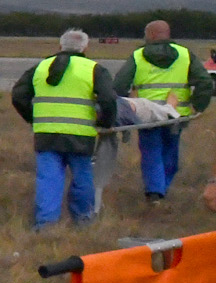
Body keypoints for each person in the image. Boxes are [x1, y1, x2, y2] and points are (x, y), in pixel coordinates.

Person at [12, 29, 116, 228]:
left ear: (60, 46)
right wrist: (105, 122)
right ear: (85, 48)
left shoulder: (40, 67)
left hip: (46, 134)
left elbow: (18, 95)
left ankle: (45, 224)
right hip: (81, 135)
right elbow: (108, 99)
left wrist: (33, 118)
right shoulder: (94, 69)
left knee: (48, 179)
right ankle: (83, 220)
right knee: (83, 178)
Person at [111, 20, 212, 204]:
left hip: (147, 115)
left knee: (151, 151)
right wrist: (197, 106)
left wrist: (125, 105)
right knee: (170, 152)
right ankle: (162, 188)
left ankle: (155, 193)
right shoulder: (185, 54)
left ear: (150, 35)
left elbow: (119, 85)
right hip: (176, 114)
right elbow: (205, 82)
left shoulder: (138, 55)